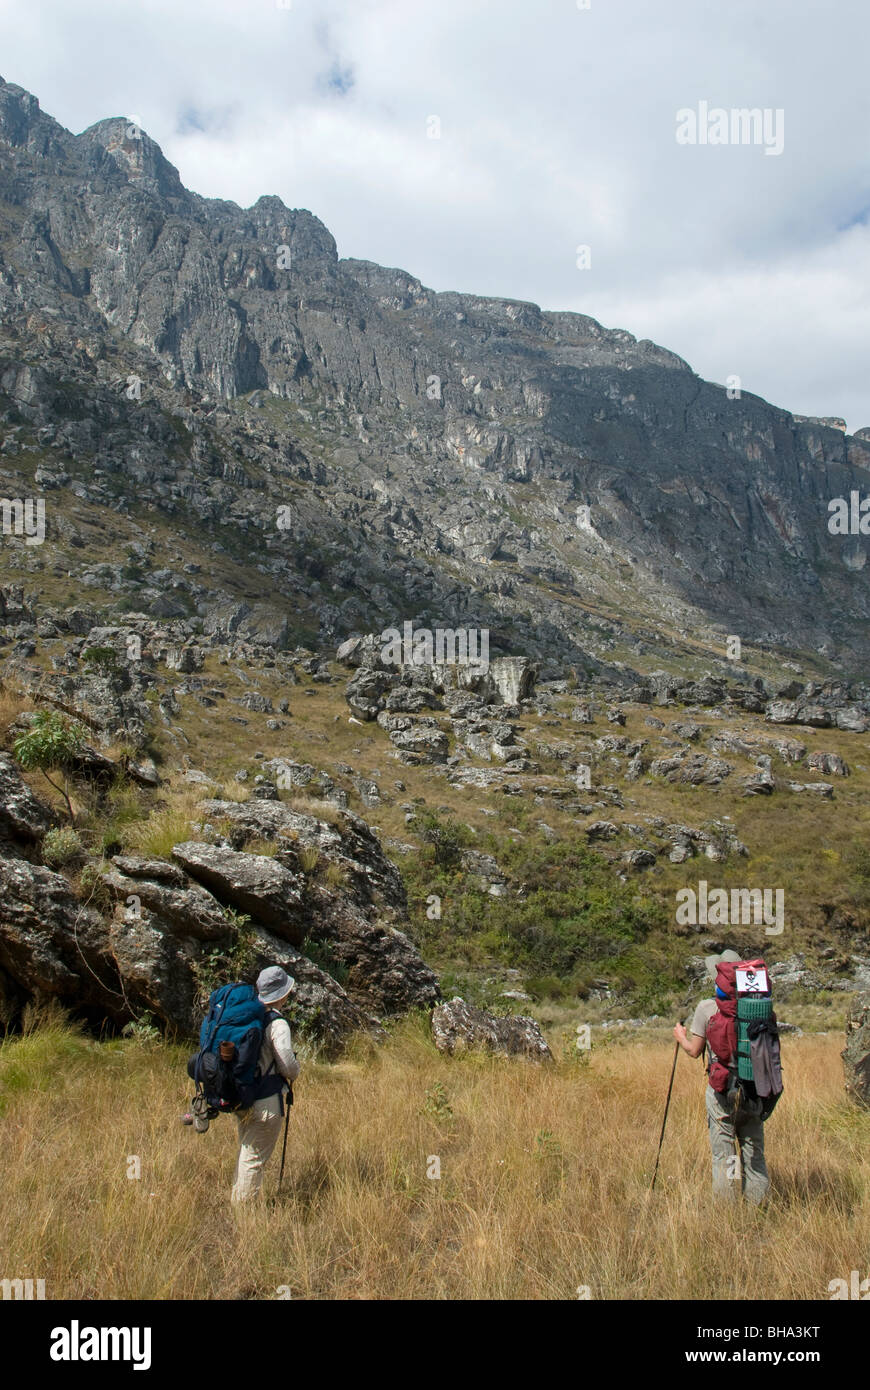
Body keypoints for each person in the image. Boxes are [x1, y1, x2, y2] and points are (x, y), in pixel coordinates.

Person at [673, 949, 770, 1205]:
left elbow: (694, 1051)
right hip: (754, 1089)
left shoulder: (707, 1008)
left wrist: (681, 1036)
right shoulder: (760, 1008)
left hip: (721, 1091)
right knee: (753, 1154)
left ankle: (727, 1214)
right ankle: (756, 1212)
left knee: (725, 1155)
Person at [231, 965, 300, 1204]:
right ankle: (244, 1216)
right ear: (282, 995)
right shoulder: (277, 1024)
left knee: (247, 1152)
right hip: (267, 1102)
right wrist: (296, 1071)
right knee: (254, 1159)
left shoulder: (247, 1017)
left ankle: (238, 1202)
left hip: (242, 1096)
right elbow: (287, 1066)